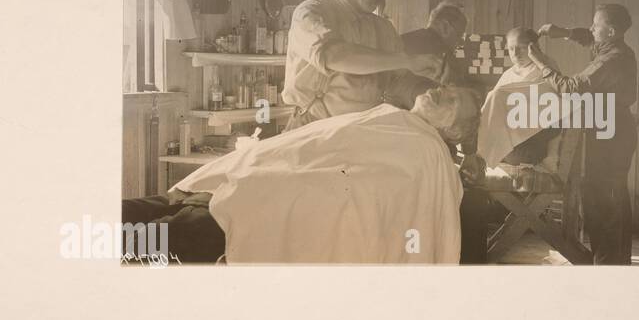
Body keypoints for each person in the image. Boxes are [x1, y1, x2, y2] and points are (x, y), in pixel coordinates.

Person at [157, 85, 481, 264]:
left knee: (148, 235)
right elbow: (314, 143)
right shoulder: (391, 116)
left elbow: (376, 200)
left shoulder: (428, 153)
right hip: (231, 183)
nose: (442, 90)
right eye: (447, 87)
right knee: (149, 216)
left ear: (454, 131)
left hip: (246, 211)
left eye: (453, 99)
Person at [281, 0, 439, 132]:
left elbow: (399, 82)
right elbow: (334, 56)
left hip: (362, 133)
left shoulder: (385, 29)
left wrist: (432, 93)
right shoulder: (311, 12)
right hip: (312, 130)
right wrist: (406, 60)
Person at [528, 5, 639, 264]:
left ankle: (607, 267)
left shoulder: (612, 59)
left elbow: (571, 87)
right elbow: (590, 38)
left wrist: (540, 63)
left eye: (596, 24)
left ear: (611, 31)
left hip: (611, 135)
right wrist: (564, 32)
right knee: (611, 199)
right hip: (611, 129)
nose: (591, 28)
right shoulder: (613, 47)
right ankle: (616, 264)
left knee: (603, 203)